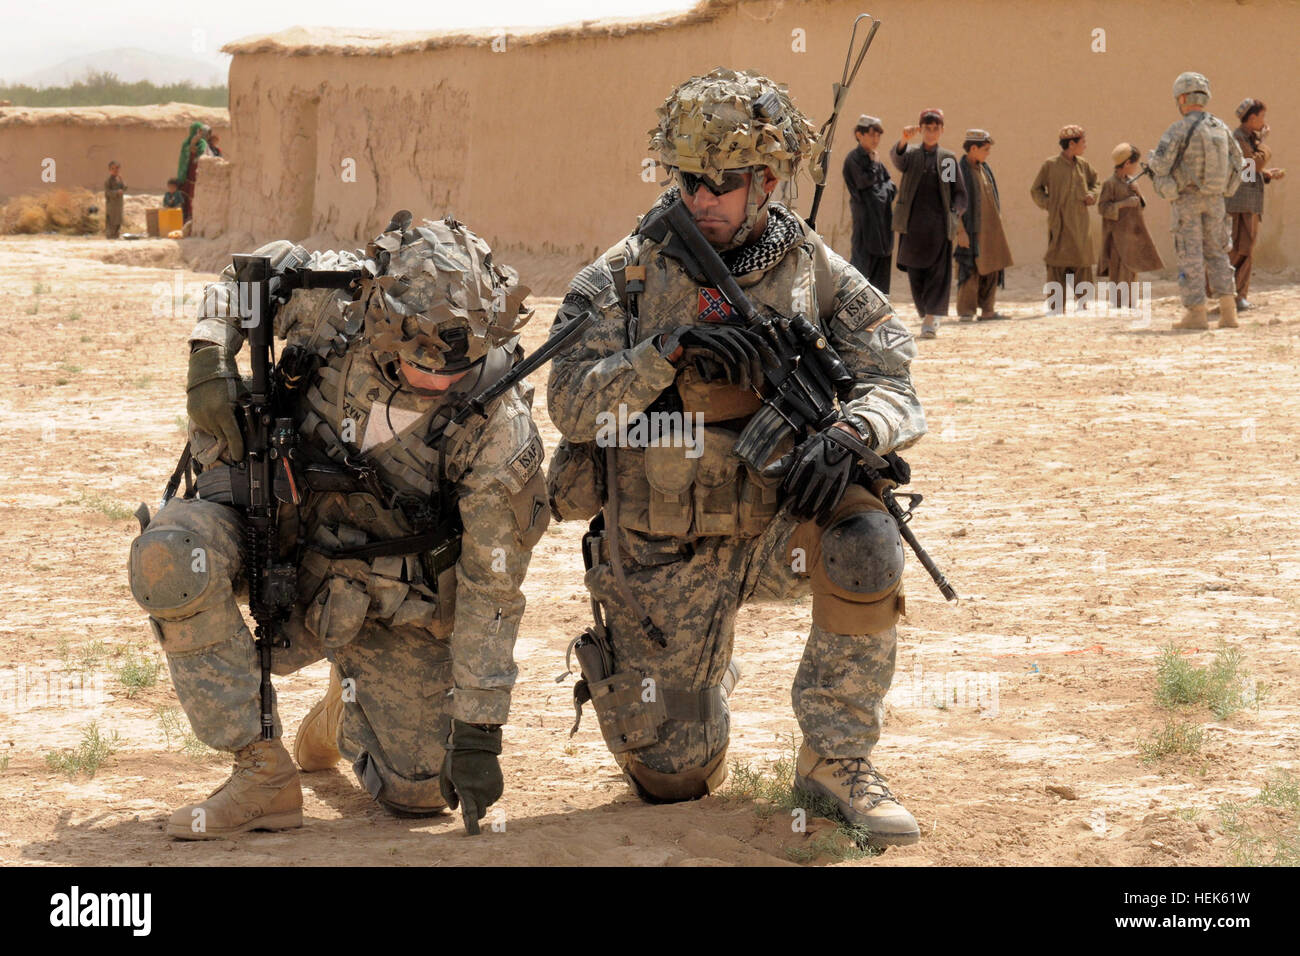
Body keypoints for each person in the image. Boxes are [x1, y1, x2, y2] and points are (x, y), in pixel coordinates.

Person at [547, 68, 928, 847]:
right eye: (688, 178)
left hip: (774, 530)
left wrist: (854, 433)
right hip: (662, 552)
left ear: (770, 179)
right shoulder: (624, 274)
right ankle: (699, 680)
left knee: (865, 542)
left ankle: (835, 762)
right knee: (674, 779)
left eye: (724, 181)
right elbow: (569, 405)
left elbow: (895, 373)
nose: (702, 198)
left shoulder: (810, 265)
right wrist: (665, 351)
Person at [127, 214, 549, 838]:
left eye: (455, 368)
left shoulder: (497, 425)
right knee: (171, 557)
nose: (438, 380)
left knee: (421, 792)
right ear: (383, 318)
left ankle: (342, 708)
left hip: (385, 598)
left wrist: (481, 731)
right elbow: (251, 272)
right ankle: (261, 771)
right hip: (277, 536)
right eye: (420, 362)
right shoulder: (337, 299)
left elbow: (492, 588)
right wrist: (208, 354)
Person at [1148, 72, 1245, 330]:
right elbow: (1241, 163)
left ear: (1181, 98)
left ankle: (1196, 312)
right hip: (1216, 201)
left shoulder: (1178, 129)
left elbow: (1160, 164)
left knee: (1191, 254)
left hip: (1188, 199)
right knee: (1218, 253)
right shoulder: (1220, 126)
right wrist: (1228, 189)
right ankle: (1228, 311)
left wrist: (1152, 164)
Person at [891, 108, 968, 338]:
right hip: (912, 227)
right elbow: (899, 161)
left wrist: (954, 212)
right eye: (927, 128)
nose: (932, 132)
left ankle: (931, 318)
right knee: (915, 273)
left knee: (938, 274)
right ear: (921, 129)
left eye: (936, 129)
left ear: (942, 131)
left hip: (938, 227)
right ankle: (926, 312)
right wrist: (903, 140)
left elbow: (957, 192)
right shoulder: (912, 156)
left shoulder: (946, 159)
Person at [1030, 125, 1101, 314]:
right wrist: (1049, 204)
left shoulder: (1083, 165)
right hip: (1059, 223)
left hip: (1080, 223)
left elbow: (1096, 183)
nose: (1085, 146)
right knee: (1057, 262)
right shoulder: (1050, 165)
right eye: (1082, 142)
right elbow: (1036, 189)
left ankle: (1082, 304)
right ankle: (1056, 305)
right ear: (1072, 144)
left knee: (1082, 262)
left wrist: (1092, 195)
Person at [1224, 98, 1285, 310]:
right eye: (1261, 117)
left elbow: (1250, 172)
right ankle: (1228, 294)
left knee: (1246, 250)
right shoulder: (1239, 138)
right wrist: (1264, 145)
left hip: (1249, 203)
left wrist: (1266, 175)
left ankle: (1238, 296)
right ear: (1251, 118)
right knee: (1240, 250)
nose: (1264, 121)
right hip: (1240, 205)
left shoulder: (1248, 138)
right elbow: (1254, 163)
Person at [954, 130, 1013, 321]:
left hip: (991, 231)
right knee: (970, 269)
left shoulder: (985, 168)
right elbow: (950, 202)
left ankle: (988, 310)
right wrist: (960, 231)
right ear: (973, 148)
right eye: (985, 149)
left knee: (993, 267)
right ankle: (966, 311)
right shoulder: (956, 169)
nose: (988, 153)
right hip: (971, 230)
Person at [1097, 143, 1163, 304]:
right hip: (1117, 236)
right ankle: (1118, 302)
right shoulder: (1110, 183)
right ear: (1127, 163)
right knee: (1119, 269)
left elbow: (1140, 205)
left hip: (1131, 235)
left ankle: (1129, 302)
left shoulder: (1131, 182)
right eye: (1134, 164)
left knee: (1131, 269)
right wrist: (1123, 204)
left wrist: (1138, 193)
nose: (1135, 168)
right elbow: (1102, 208)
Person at [842, 114, 896, 292]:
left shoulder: (876, 160)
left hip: (883, 223)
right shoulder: (854, 159)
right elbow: (868, 189)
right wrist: (881, 186)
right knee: (861, 269)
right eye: (872, 134)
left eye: (878, 135)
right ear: (859, 134)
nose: (876, 139)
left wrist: (881, 189)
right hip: (865, 223)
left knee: (882, 270)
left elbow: (891, 188)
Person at [177, 122, 210, 222]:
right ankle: (183, 220)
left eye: (201, 131)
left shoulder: (202, 143)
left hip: (196, 174)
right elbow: (184, 156)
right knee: (184, 197)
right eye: (199, 131)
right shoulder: (185, 143)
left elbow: (200, 156)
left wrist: (194, 146)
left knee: (193, 197)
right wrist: (191, 145)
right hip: (186, 174)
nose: (200, 133)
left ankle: (192, 220)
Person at [104, 161, 125, 239]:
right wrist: (116, 192)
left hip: (119, 204)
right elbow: (107, 192)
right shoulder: (108, 180)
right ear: (109, 170)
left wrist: (122, 180)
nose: (115, 170)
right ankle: (110, 236)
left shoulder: (119, 179)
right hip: (111, 205)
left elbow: (125, 187)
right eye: (113, 168)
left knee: (118, 220)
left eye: (117, 168)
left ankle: (116, 235)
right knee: (111, 220)